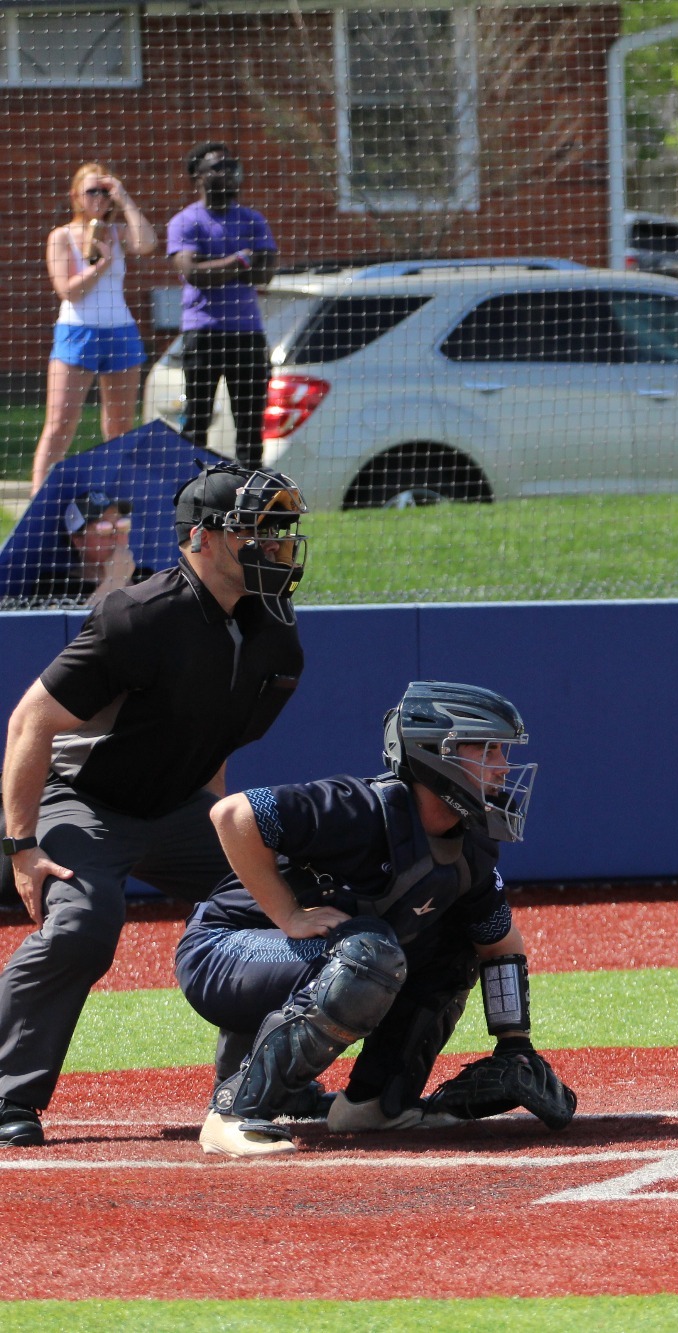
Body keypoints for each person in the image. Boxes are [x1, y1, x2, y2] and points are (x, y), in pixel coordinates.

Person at [0, 464, 308, 1148]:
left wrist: (235, 853)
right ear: (200, 538)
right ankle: (6, 1092)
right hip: (81, 800)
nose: (276, 543)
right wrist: (22, 849)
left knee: (289, 892)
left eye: (279, 529)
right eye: (255, 529)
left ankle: (255, 1082)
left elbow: (215, 742)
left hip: (179, 808)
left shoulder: (274, 634)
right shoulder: (137, 616)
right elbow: (30, 722)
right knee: (84, 919)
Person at [177, 681, 575, 1159]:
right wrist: (287, 913)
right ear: (436, 753)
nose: (504, 767)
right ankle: (235, 1112)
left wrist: (515, 1044)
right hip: (222, 949)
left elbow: (499, 943)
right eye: (488, 749)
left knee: (453, 950)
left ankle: (374, 1104)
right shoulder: (359, 808)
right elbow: (232, 814)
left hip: (318, 958)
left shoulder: (470, 844)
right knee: (370, 955)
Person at [33, 163, 158, 494]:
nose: (100, 198)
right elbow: (69, 291)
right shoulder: (61, 236)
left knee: (119, 426)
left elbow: (147, 243)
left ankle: (114, 498)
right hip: (77, 332)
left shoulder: (116, 232)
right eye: (93, 191)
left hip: (120, 332)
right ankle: (36, 501)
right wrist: (100, 265)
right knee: (60, 423)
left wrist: (125, 198)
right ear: (76, 196)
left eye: (105, 192)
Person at [165, 143, 276, 462]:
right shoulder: (186, 222)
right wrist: (241, 260)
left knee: (250, 423)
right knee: (197, 421)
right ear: (197, 178)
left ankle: (249, 498)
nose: (227, 173)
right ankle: (192, 497)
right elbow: (192, 273)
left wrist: (217, 265)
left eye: (231, 166)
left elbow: (265, 274)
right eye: (218, 167)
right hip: (204, 335)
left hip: (247, 335)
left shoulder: (253, 220)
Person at [23, 492, 152, 609]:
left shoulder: (149, 578)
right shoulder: (54, 586)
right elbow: (80, 630)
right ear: (78, 541)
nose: (116, 535)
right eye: (104, 528)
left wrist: (128, 580)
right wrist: (115, 579)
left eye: (121, 526)